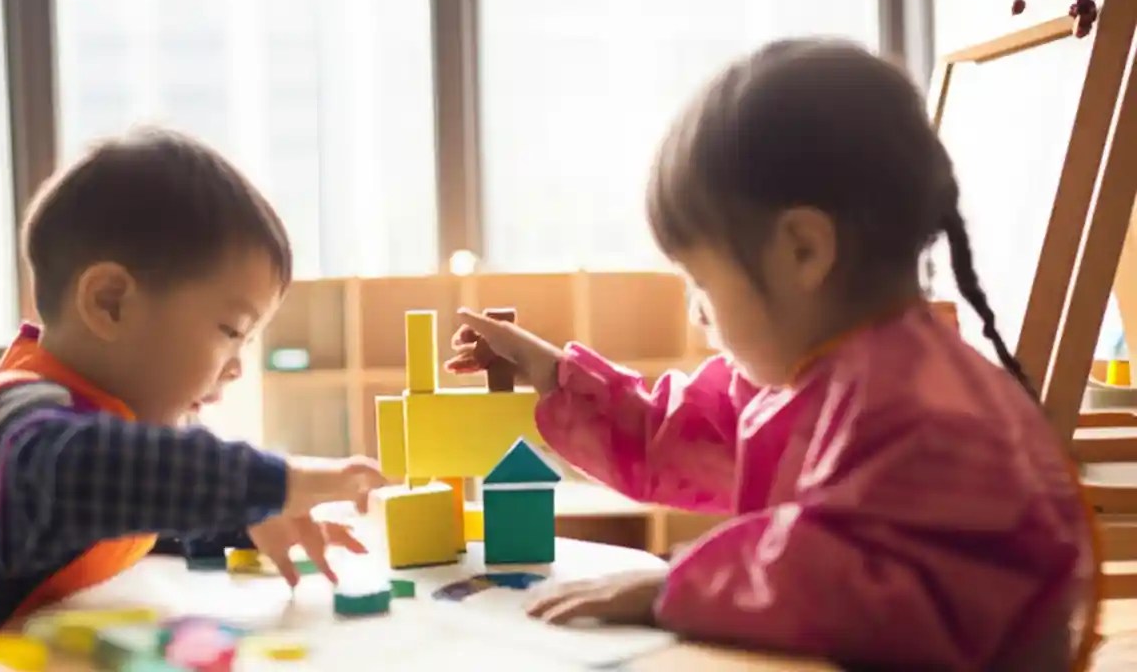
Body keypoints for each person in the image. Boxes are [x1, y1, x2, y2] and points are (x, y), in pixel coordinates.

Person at [446, 40, 1097, 670]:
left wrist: (672, 589)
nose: (695, 311)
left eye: (700, 283)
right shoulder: (808, 378)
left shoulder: (921, 414)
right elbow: (677, 434)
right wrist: (551, 374)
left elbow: (837, 585)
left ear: (802, 252)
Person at [0, 128, 386, 655]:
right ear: (110, 303)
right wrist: (275, 481)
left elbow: (134, 519)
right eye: (230, 332)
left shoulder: (90, 425)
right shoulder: (23, 429)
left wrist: (243, 521)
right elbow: (98, 476)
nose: (236, 368)